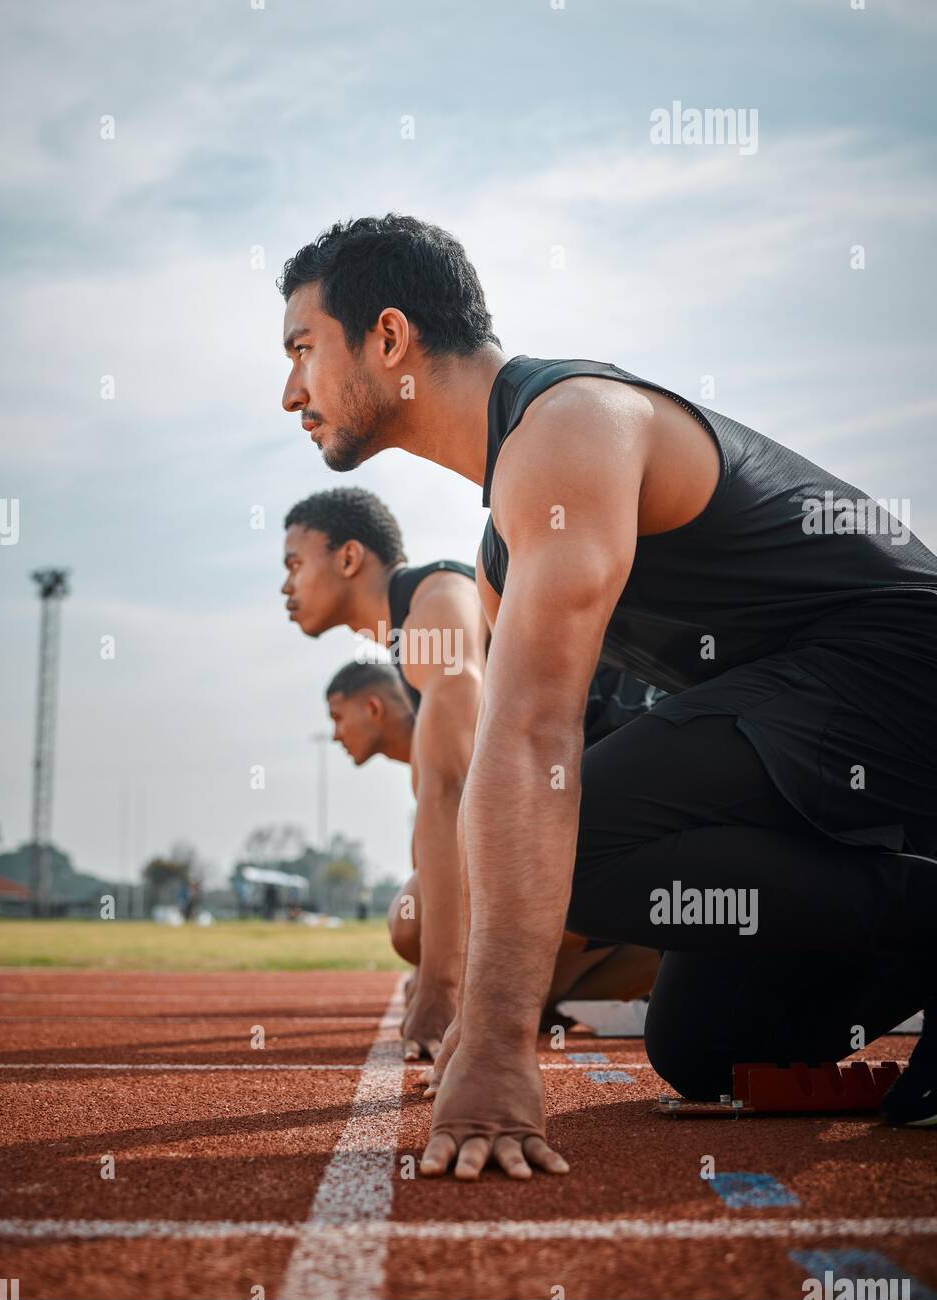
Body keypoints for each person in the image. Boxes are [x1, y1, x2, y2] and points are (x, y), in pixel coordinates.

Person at [276, 214, 937, 1179]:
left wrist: (499, 1037)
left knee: (582, 831)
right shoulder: (503, 539)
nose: (290, 390)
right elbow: (525, 756)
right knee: (707, 1048)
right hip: (809, 749)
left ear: (388, 338)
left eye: (302, 350)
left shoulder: (571, 424)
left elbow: (535, 744)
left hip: (899, 677)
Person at [325, 656, 662, 1024]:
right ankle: (652, 959)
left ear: (373, 708)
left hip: (574, 862)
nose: (334, 734)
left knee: (413, 924)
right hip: (577, 889)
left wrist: (439, 980)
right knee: (531, 1011)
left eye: (337, 717)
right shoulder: (430, 770)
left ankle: (643, 947)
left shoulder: (458, 722)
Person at [282, 488, 487, 1059]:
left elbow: (451, 791)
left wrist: (441, 988)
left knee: (412, 920)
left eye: (295, 565)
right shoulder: (405, 648)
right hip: (572, 825)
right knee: (415, 919)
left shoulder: (439, 602)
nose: (285, 587)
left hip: (622, 801)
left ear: (348, 559)